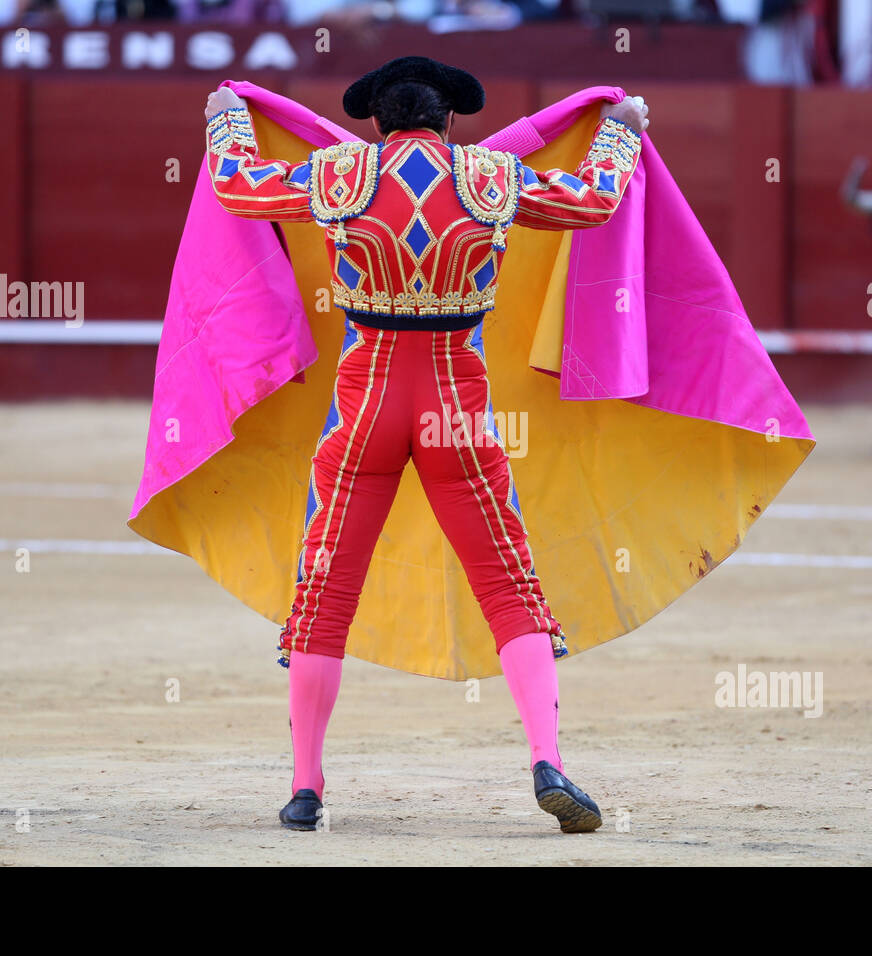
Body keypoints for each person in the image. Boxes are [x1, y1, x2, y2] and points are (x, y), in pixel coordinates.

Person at [202, 56, 647, 833]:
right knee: (510, 587)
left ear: (377, 126)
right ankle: (548, 761)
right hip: (454, 411)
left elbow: (236, 186)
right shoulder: (492, 178)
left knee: (325, 597)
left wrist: (224, 114)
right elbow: (595, 200)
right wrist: (619, 134)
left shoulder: (339, 176)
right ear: (450, 122)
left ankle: (306, 788)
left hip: (364, 410)